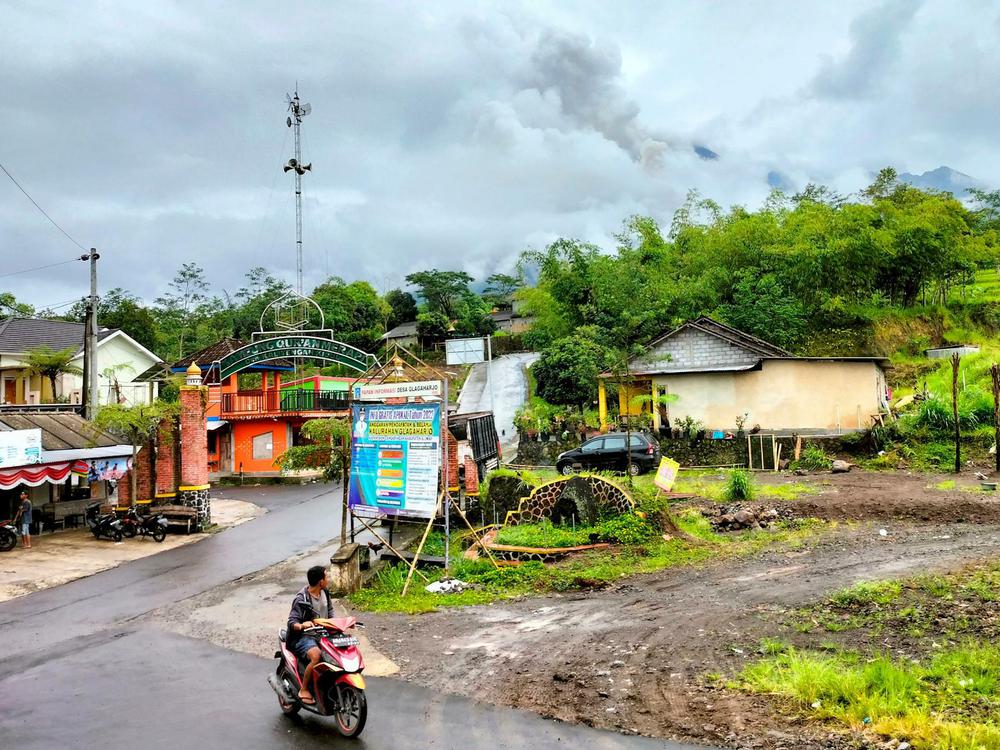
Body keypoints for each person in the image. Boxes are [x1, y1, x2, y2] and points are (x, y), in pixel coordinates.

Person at [286, 565, 333, 704]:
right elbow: (291, 621)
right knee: (316, 655)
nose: (328, 579)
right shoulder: (301, 598)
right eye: (327, 576)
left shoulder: (325, 592)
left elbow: (330, 611)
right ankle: (304, 689)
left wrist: (338, 624)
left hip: (323, 632)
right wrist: (301, 625)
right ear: (320, 581)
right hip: (303, 636)